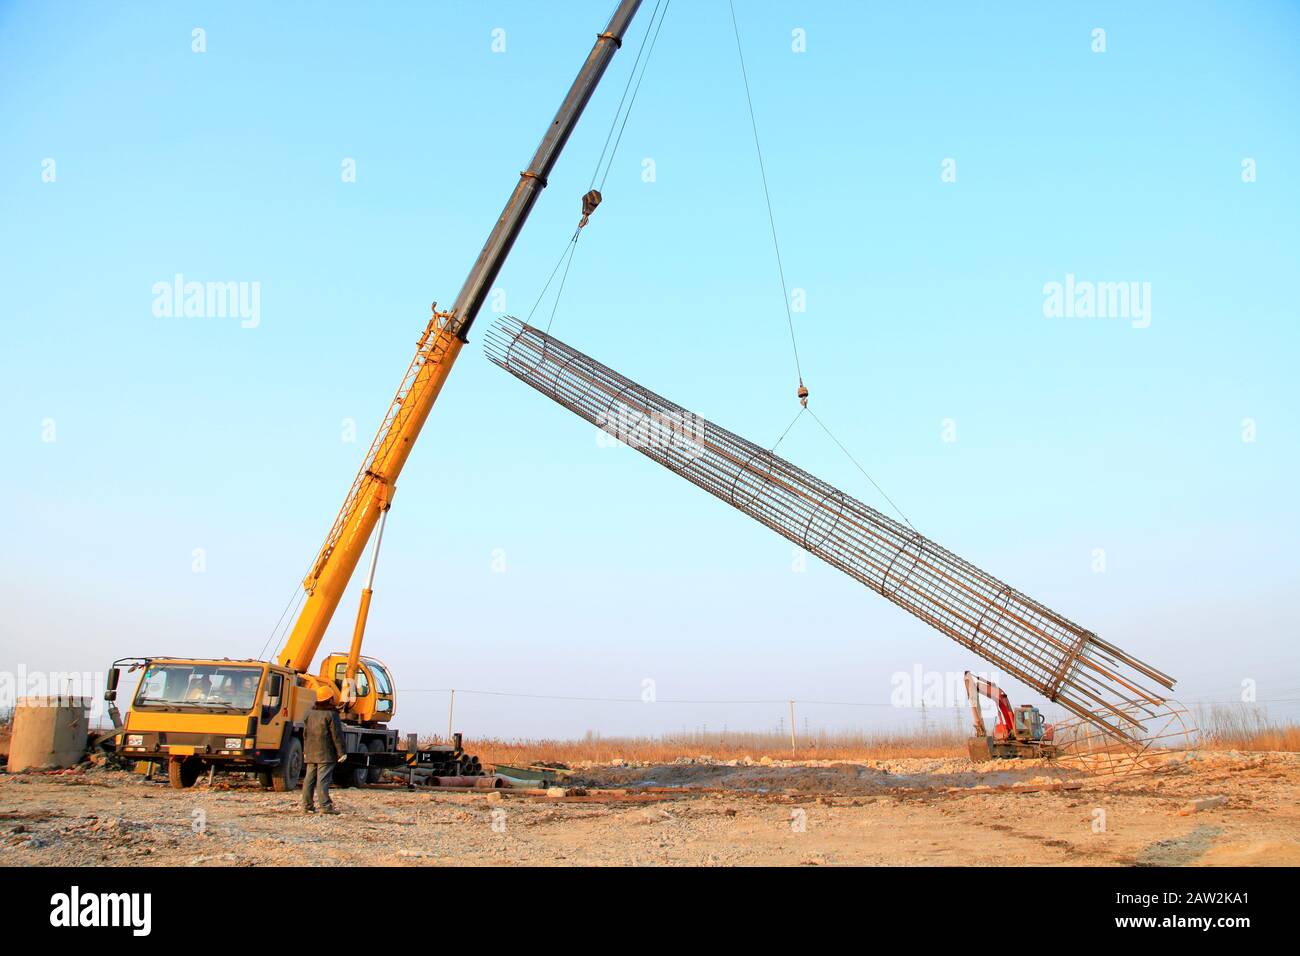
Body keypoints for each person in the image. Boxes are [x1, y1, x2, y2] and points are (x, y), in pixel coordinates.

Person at [302, 686, 347, 814]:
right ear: (329, 699)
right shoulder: (332, 715)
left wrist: (305, 751)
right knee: (323, 780)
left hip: (311, 752)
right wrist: (341, 752)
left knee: (309, 779)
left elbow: (305, 734)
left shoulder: (309, 713)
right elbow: (337, 735)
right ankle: (325, 807)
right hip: (326, 754)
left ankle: (307, 806)